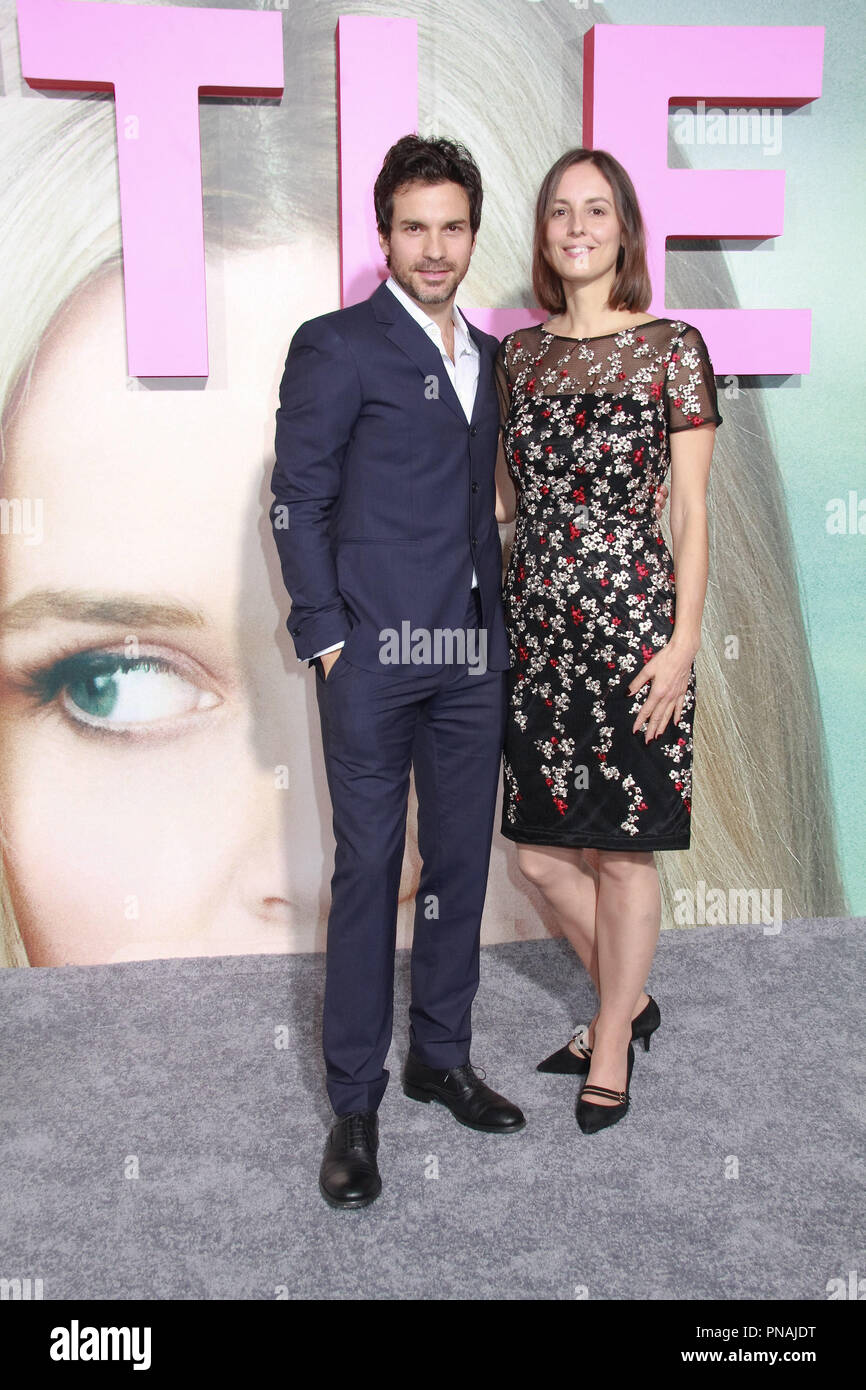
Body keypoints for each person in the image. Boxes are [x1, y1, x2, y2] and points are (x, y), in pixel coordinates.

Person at [269, 135, 527, 1210]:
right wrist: (327, 634)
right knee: (371, 868)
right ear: (383, 235)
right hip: (372, 656)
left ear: (471, 234)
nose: (434, 247)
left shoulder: (489, 354)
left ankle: (439, 1054)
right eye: (413, 227)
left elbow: (479, 507)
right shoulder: (335, 346)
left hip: (469, 654)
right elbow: (295, 498)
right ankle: (354, 1103)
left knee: (459, 864)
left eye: (451, 226)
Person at [494, 148, 722, 1134]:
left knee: (623, 857)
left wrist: (681, 646)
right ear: (543, 234)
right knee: (541, 857)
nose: (576, 226)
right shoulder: (518, 357)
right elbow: (505, 505)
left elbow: (693, 515)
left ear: (623, 230)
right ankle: (625, 996)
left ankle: (612, 1035)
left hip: (635, 633)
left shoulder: (670, 347)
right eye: (558, 212)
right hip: (536, 638)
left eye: (595, 210)